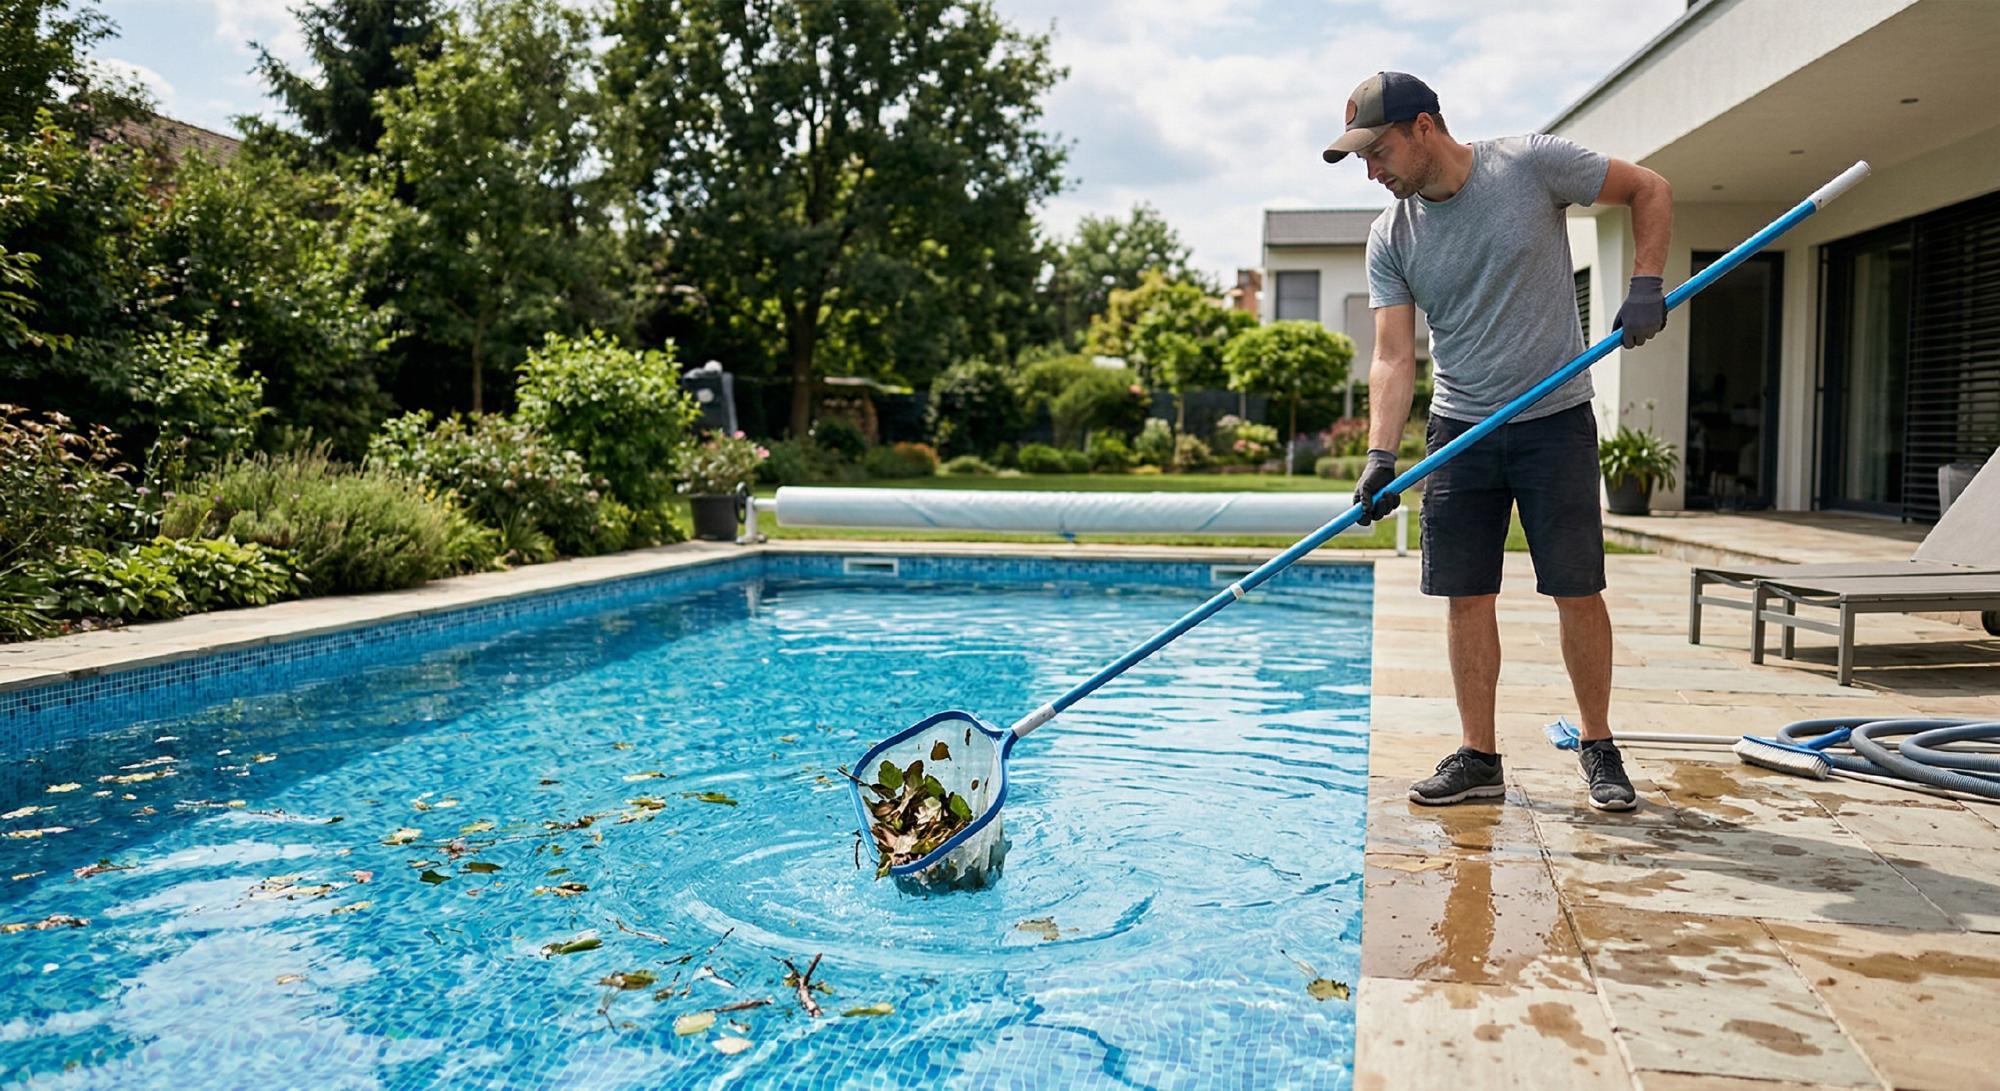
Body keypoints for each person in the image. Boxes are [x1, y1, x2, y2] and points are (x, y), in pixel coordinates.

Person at [1323, 72, 1673, 811]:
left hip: (1555, 419)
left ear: (1424, 128)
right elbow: (1393, 355)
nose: (1371, 171)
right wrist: (1379, 455)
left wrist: (1646, 282)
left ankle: (1599, 745)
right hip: (1461, 429)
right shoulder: (1392, 234)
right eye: (1362, 158)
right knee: (1465, 598)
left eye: (1378, 151)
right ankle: (1479, 757)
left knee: (1578, 592)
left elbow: (1649, 187)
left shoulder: (1531, 165)